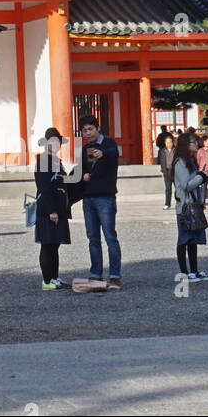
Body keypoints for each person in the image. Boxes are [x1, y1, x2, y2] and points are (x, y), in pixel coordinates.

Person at [79, 115, 121, 288]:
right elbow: (81, 168)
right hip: (88, 197)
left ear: (97, 128)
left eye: (90, 129)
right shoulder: (84, 149)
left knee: (110, 236)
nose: (87, 133)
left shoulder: (109, 144)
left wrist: (102, 153)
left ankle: (114, 275)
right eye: (84, 130)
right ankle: (96, 273)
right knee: (93, 238)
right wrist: (82, 176)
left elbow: (114, 153)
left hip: (105, 197)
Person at [34, 128, 77, 289]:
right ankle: (46, 280)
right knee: (47, 244)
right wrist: (51, 210)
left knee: (55, 244)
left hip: (58, 208)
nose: (56, 144)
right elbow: (44, 187)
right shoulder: (43, 161)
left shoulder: (54, 160)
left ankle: (54, 276)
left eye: (58, 142)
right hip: (48, 209)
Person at [171, 131, 208, 283]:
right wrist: (201, 177)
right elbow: (186, 185)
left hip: (192, 204)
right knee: (184, 239)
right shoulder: (180, 162)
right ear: (185, 145)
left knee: (192, 240)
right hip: (184, 206)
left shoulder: (189, 160)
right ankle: (184, 272)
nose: (196, 144)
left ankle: (194, 271)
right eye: (193, 142)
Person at [156, 132, 175, 210]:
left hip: (175, 171)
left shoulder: (175, 150)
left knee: (178, 188)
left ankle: (180, 202)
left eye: (170, 142)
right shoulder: (163, 151)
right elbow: (162, 161)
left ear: (172, 142)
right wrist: (162, 171)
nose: (169, 144)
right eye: (167, 142)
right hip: (166, 171)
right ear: (165, 143)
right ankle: (167, 203)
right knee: (168, 188)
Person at [196, 133, 208, 205]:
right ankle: (203, 203)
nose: (207, 142)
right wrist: (200, 168)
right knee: (203, 188)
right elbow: (198, 161)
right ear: (202, 142)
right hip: (203, 171)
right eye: (205, 141)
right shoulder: (199, 151)